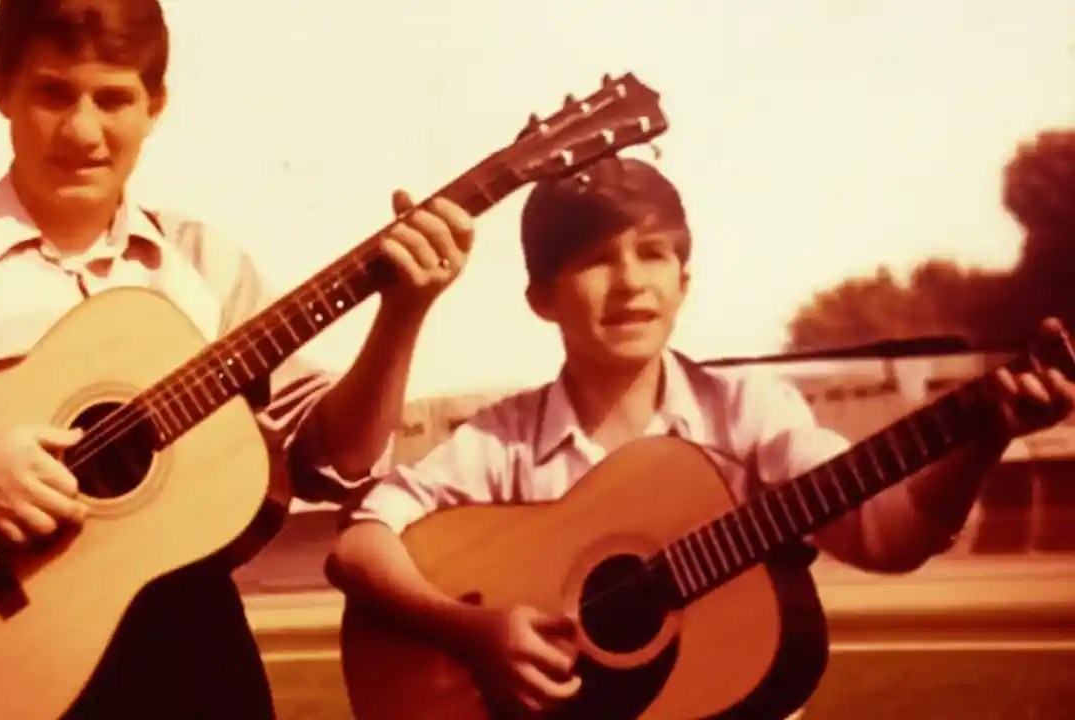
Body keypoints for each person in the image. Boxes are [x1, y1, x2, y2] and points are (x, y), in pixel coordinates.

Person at [0, 0, 474, 717]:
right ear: (2, 91)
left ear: (155, 106)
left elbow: (335, 457)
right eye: (53, 93)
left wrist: (402, 313)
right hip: (1, 659)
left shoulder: (203, 266)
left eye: (113, 99)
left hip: (188, 660)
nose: (82, 130)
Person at [327, 154, 1075, 716]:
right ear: (542, 299)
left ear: (684, 281)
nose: (630, 281)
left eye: (653, 253)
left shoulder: (748, 416)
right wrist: (473, 631)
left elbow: (891, 537)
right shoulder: (504, 443)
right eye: (596, 261)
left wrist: (983, 438)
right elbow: (359, 545)